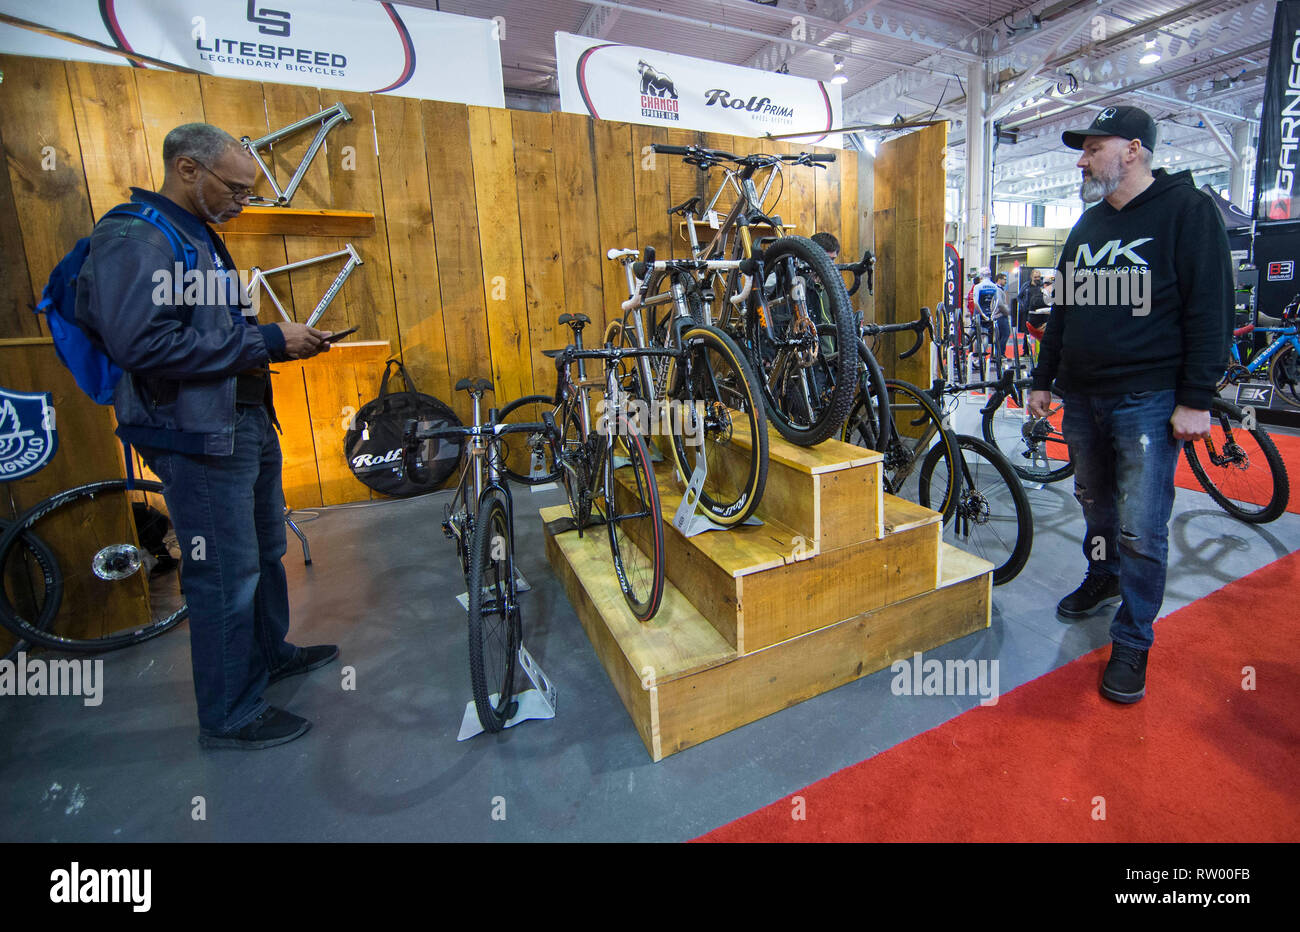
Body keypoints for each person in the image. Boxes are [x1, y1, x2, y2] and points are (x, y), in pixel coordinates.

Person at [77, 123, 341, 749]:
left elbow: (202, 331)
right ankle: (230, 714)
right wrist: (270, 340)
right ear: (188, 169)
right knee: (223, 571)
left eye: (250, 193)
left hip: (239, 419)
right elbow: (142, 343)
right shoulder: (136, 235)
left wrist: (270, 345)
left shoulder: (196, 234)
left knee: (262, 550)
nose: (243, 203)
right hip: (196, 434)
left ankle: (269, 655)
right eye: (237, 189)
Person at [1026, 106, 1231, 703]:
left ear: (1133, 150)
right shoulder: (1088, 226)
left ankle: (1134, 638)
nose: (1082, 160)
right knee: (1094, 506)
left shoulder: (1186, 212)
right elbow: (1062, 312)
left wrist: (1197, 398)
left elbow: (1210, 309)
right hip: (1084, 398)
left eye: (1092, 148)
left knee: (1142, 525)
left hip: (1148, 399)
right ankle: (1103, 575)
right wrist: (1045, 380)